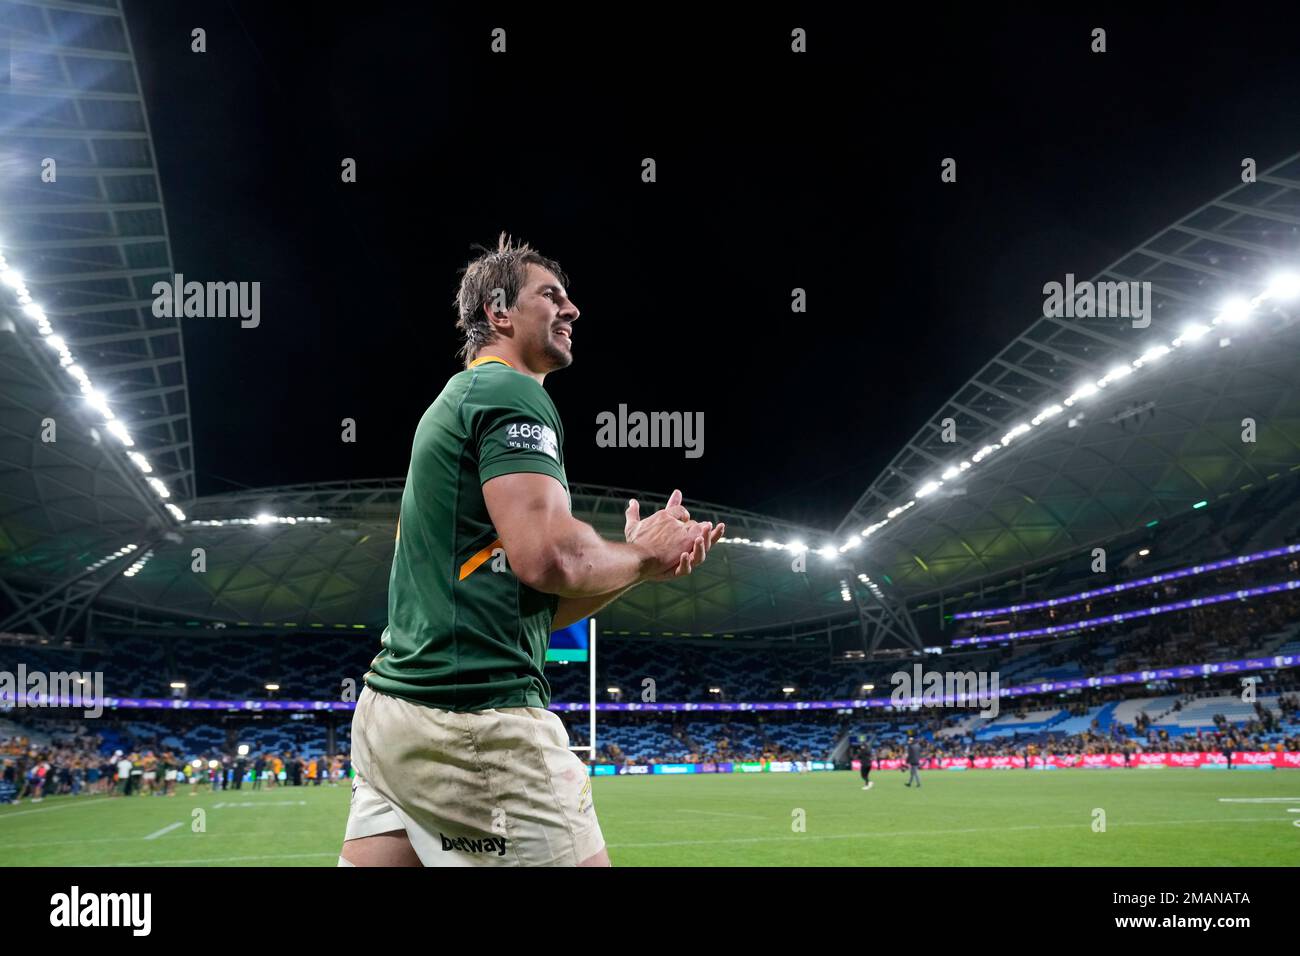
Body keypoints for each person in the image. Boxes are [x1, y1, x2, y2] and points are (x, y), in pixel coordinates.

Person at [340, 235, 723, 868]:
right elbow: (551, 562)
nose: (572, 309)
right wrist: (646, 556)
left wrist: (631, 565)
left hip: (394, 717)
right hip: (475, 720)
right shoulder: (510, 392)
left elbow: (536, 605)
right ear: (498, 311)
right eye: (551, 295)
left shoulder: (453, 403)